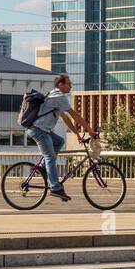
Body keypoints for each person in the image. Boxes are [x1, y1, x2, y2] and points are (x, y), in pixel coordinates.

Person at [26, 73, 96, 201]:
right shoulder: (59, 96)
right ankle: (55, 188)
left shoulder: (54, 95)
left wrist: (76, 134)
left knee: (59, 141)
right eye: (69, 84)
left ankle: (43, 167)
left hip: (42, 130)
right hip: (39, 130)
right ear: (61, 84)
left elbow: (65, 118)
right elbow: (75, 115)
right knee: (50, 157)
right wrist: (90, 130)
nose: (71, 86)